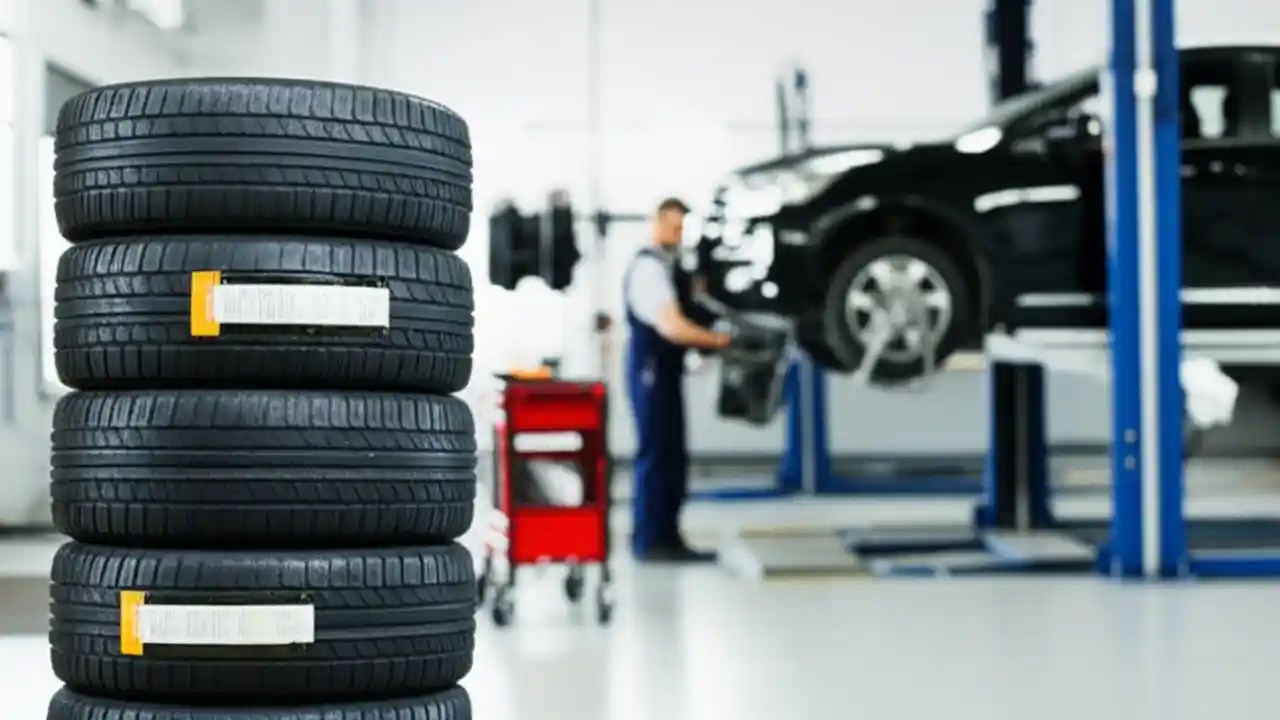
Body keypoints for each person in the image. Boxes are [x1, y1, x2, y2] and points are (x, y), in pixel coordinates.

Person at [622, 197, 732, 563]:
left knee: (672, 455)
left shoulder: (673, 267)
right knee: (656, 455)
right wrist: (718, 341)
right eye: (672, 227)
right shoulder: (649, 270)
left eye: (681, 228)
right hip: (650, 372)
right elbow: (672, 326)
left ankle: (667, 536)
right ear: (656, 223)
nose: (677, 234)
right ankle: (650, 541)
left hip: (665, 373)